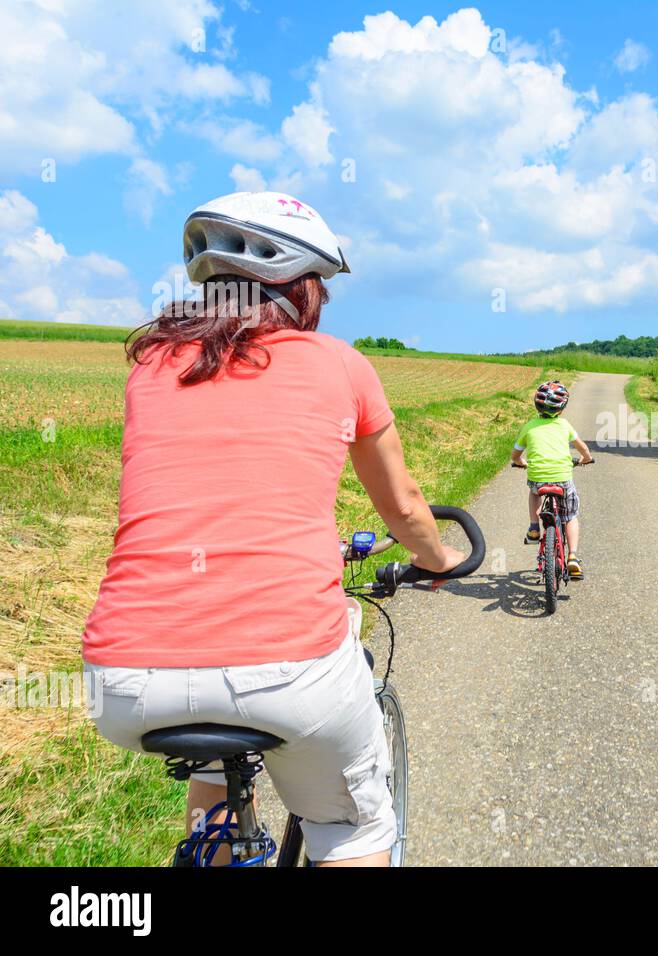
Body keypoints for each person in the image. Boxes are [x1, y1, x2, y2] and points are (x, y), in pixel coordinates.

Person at [82, 191, 464, 866]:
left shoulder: (150, 368)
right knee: (353, 832)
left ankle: (216, 840)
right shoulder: (340, 364)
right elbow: (403, 508)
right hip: (288, 675)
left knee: (216, 781)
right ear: (299, 289)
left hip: (124, 679)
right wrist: (439, 558)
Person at [511, 381, 593, 578]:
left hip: (538, 477)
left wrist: (521, 462)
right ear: (562, 408)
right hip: (563, 479)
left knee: (534, 493)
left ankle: (533, 527)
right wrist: (586, 459)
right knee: (570, 516)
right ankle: (572, 557)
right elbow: (582, 448)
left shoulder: (529, 426)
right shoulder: (564, 425)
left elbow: (515, 455)